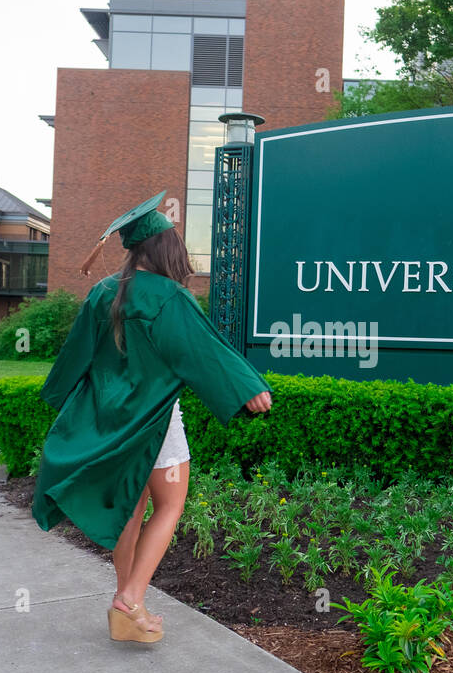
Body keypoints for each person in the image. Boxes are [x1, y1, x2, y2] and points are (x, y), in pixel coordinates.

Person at [30, 191, 273, 644]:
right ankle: (131, 600)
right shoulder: (170, 298)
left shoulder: (103, 292)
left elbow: (73, 359)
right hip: (155, 419)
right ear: (166, 250)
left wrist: (65, 405)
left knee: (131, 504)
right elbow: (203, 351)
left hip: (108, 416)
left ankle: (128, 604)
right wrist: (248, 387)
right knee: (171, 503)